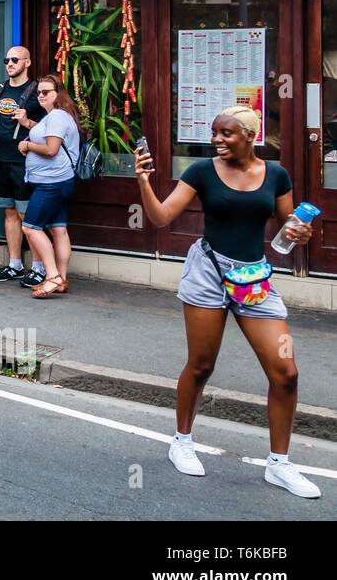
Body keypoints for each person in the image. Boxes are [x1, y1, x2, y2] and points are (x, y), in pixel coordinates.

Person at [135, 106, 321, 499]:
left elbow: (288, 227)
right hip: (208, 272)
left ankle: (279, 465)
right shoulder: (202, 171)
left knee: (286, 371)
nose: (217, 140)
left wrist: (301, 233)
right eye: (214, 133)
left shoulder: (276, 174)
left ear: (250, 137)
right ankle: (182, 440)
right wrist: (144, 181)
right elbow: (161, 217)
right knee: (201, 364)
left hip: (254, 279)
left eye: (227, 134)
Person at [0, 46, 47, 287]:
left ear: (27, 62)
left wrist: (27, 121)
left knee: (27, 215)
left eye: (14, 59)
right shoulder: (0, 89)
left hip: (24, 162)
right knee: (9, 212)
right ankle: (15, 264)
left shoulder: (36, 92)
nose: (9, 63)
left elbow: (48, 130)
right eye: (6, 59)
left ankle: (39, 267)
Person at [17, 75, 81, 299]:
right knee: (58, 229)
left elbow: (51, 149)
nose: (41, 95)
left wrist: (27, 145)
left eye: (47, 91)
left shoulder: (56, 117)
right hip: (60, 181)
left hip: (51, 183)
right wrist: (28, 125)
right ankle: (61, 279)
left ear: (59, 93)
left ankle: (52, 276)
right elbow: (48, 135)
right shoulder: (57, 117)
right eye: (39, 92)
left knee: (31, 227)